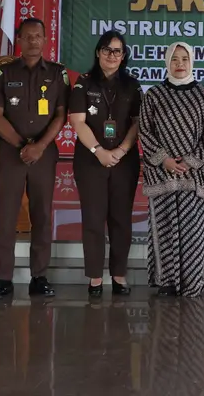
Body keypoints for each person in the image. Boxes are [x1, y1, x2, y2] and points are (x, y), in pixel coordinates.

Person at [0, 18, 70, 300]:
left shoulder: (58, 74)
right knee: (7, 217)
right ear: (18, 40)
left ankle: (39, 276)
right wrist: (23, 145)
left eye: (38, 36)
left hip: (43, 155)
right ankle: (4, 279)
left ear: (46, 40)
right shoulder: (3, 72)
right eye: (28, 37)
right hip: (10, 154)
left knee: (42, 216)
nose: (33, 41)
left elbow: (60, 115)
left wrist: (40, 146)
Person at [138, 42, 204, 297]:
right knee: (164, 229)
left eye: (185, 58)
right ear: (167, 62)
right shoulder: (153, 95)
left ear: (192, 61)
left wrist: (192, 160)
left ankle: (192, 283)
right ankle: (167, 282)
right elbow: (144, 130)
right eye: (175, 59)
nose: (180, 64)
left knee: (191, 231)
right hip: (161, 173)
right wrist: (165, 160)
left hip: (194, 175)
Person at [68, 30, 143, 298]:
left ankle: (119, 275)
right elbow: (77, 121)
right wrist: (98, 150)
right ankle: (95, 278)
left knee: (121, 218)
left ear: (124, 57)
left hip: (125, 160)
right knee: (93, 218)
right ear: (98, 52)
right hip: (90, 160)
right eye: (107, 50)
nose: (112, 55)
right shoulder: (83, 83)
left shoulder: (133, 85)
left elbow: (137, 124)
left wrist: (121, 150)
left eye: (117, 51)